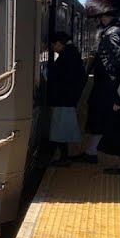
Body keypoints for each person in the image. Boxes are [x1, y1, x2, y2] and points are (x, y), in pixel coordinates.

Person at [82, 0, 120, 166]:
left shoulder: (113, 34)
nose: (98, 22)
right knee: (100, 121)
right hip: (106, 89)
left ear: (104, 17)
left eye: (99, 18)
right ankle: (91, 152)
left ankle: (100, 156)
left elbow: (114, 67)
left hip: (107, 90)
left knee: (102, 121)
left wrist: (115, 96)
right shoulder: (116, 32)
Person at [45, 31, 85, 165]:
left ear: (58, 43)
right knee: (61, 129)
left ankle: (63, 158)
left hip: (63, 99)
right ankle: (61, 156)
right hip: (67, 99)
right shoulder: (71, 54)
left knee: (60, 129)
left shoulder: (67, 56)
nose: (52, 48)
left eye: (53, 45)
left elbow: (58, 78)